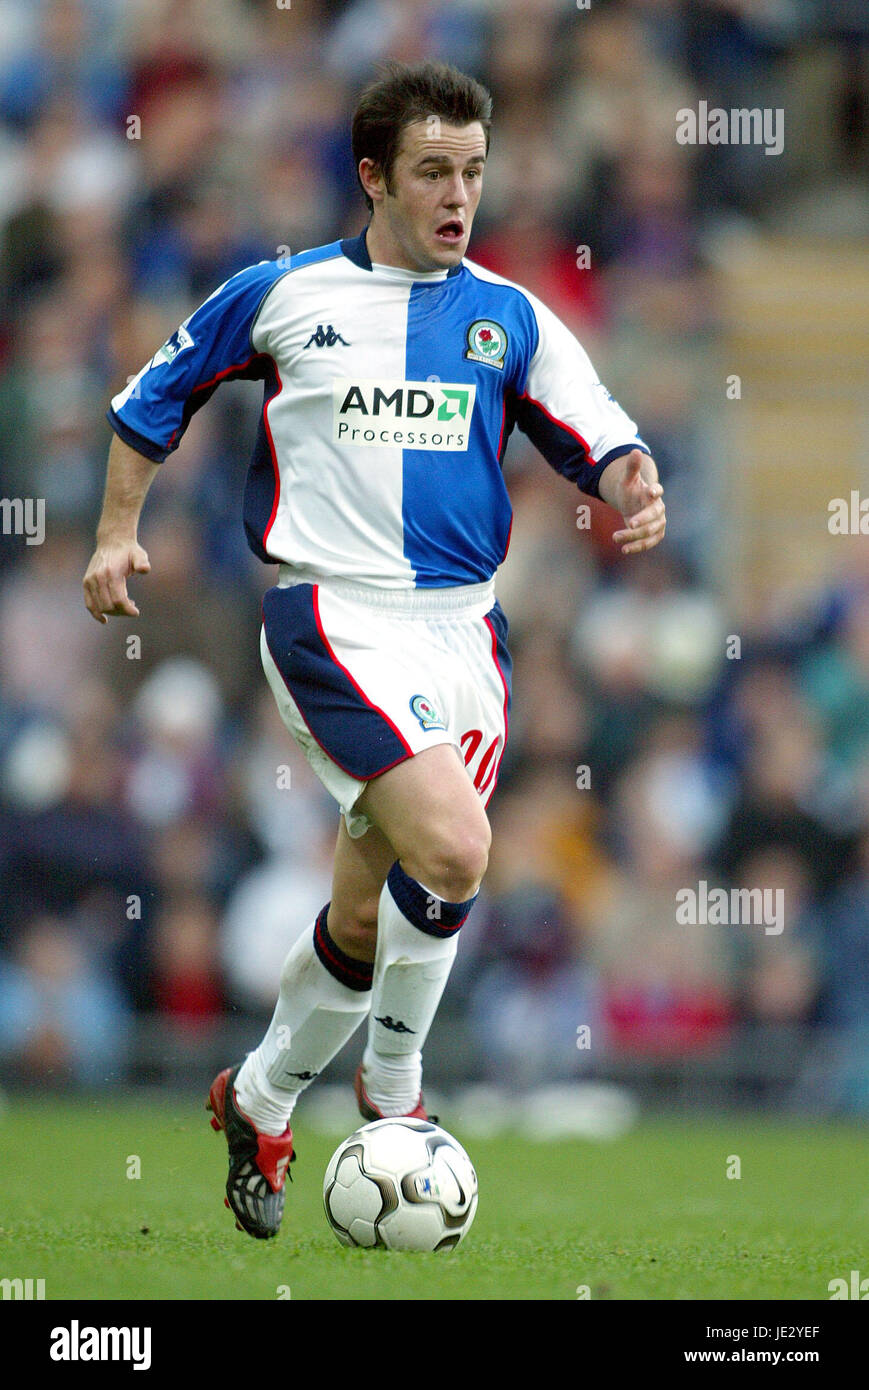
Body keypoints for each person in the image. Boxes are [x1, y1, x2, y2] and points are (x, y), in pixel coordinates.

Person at [83, 61, 666, 1239]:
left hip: (465, 633)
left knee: (365, 916)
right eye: (433, 173)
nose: (459, 196)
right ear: (372, 178)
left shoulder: (508, 317)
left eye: (473, 172)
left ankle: (257, 1097)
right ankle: (395, 1097)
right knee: (455, 850)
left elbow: (596, 428)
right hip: (330, 618)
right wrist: (113, 536)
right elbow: (152, 397)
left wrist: (630, 478)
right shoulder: (283, 295)